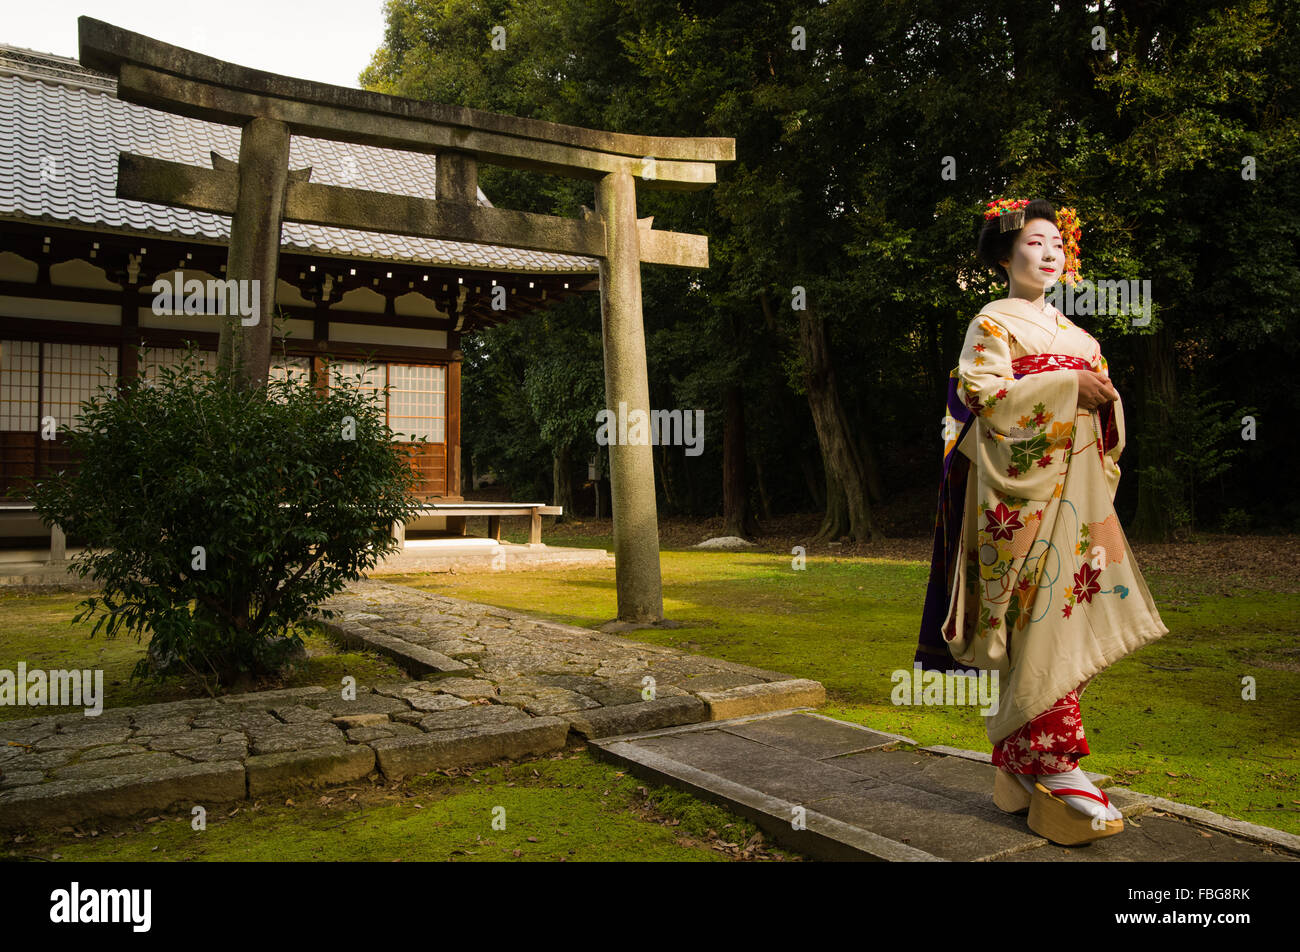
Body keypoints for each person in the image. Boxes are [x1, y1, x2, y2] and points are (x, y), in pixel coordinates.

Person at [914, 198, 1168, 845]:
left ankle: (1032, 762)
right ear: (1005, 253)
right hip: (1014, 503)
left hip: (1074, 501)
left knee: (1065, 614)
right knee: (1031, 619)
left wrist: (1104, 407)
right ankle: (1050, 763)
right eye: (1035, 239)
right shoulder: (991, 323)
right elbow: (981, 401)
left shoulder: (1084, 341)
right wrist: (1065, 391)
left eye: (1058, 241)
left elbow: (1108, 437)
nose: (1050, 250)